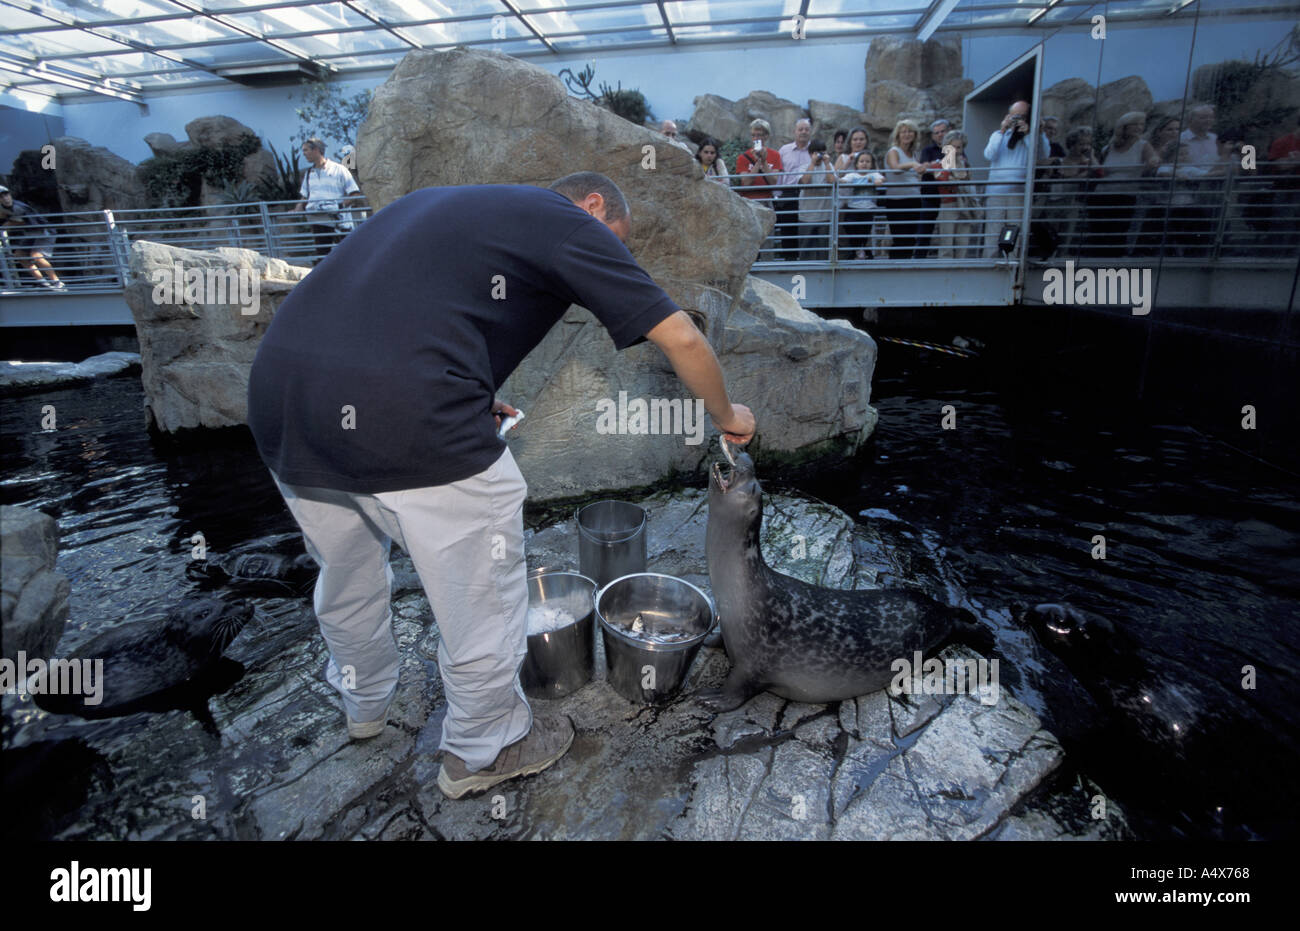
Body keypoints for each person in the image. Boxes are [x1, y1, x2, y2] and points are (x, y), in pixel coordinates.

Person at [247, 173, 756, 800]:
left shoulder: (443, 203)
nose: (609, 262)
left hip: (281, 400)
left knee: (347, 571)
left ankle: (364, 703)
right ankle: (485, 746)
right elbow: (680, 336)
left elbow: (397, 314)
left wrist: (473, 393)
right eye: (617, 242)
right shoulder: (567, 219)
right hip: (405, 415)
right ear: (595, 206)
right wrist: (731, 417)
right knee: (480, 590)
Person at [981, 100, 1051, 258]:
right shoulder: (997, 135)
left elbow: (1041, 155)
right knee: (993, 230)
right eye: (1015, 116)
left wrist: (1030, 134)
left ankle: (1012, 264)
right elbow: (989, 155)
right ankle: (988, 264)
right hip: (996, 191)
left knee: (1015, 230)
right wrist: (1002, 129)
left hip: (1018, 192)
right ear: (1008, 116)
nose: (1018, 119)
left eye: (1022, 116)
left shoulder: (1032, 138)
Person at [1094, 111, 1160, 256]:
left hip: (1125, 194)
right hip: (1103, 194)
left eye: (1141, 124)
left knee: (1119, 228)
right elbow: (1099, 169)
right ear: (1124, 126)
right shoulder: (1109, 147)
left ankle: (1114, 261)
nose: (1139, 127)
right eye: (1135, 124)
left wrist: (1152, 161)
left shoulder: (1143, 145)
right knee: (1100, 229)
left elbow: (1153, 159)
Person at [295, 137, 364, 263]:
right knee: (322, 254)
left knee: (346, 254)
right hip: (319, 220)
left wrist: (340, 207)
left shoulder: (339, 170)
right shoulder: (309, 173)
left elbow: (354, 193)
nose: (304, 153)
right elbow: (305, 196)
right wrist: (297, 209)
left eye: (306, 150)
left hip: (339, 221)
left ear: (316, 150)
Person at [735, 119, 784, 257]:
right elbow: (746, 182)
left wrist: (765, 161)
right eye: (754, 135)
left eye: (760, 135)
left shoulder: (775, 156)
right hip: (749, 203)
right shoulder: (743, 157)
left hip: (766, 202)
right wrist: (757, 162)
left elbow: (773, 181)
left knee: (768, 241)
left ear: (766, 136)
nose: (756, 138)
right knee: (748, 240)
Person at [0, 186, 64, 289]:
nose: (5, 198)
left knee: (36, 256)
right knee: (19, 255)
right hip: (31, 232)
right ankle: (41, 281)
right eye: (1, 197)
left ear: (10, 195)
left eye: (6, 195)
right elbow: (4, 217)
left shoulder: (19, 207)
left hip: (44, 231)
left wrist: (6, 225)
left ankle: (56, 282)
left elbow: (21, 222)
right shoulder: (3, 207)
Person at [885, 119, 926, 259]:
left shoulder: (914, 154)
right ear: (898, 135)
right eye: (903, 132)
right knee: (900, 238)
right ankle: (894, 267)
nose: (907, 134)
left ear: (915, 134)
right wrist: (913, 164)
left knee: (910, 238)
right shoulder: (893, 151)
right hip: (896, 200)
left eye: (910, 131)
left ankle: (906, 266)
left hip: (914, 199)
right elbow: (895, 168)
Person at [932, 131, 975, 259]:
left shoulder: (966, 164)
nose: (955, 150)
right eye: (952, 147)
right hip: (948, 204)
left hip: (965, 204)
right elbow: (943, 179)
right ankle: (944, 272)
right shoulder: (939, 164)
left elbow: (967, 180)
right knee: (947, 243)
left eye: (959, 147)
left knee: (963, 242)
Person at [776, 118, 814, 260]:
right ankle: (789, 261)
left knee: (806, 229)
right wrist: (777, 196)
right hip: (788, 193)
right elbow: (780, 174)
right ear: (794, 132)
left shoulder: (814, 151)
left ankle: (806, 261)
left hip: (809, 194)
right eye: (800, 129)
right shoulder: (784, 150)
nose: (803, 132)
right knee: (788, 228)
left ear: (810, 132)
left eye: (806, 129)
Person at [839, 151, 885, 260]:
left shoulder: (873, 174)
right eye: (862, 161)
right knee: (849, 226)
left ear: (871, 164)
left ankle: (861, 249)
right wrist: (839, 180)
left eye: (867, 161)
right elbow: (843, 180)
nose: (864, 163)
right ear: (857, 164)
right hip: (853, 207)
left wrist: (875, 180)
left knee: (864, 230)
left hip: (868, 208)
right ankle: (858, 248)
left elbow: (881, 179)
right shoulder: (852, 175)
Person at [916, 119, 950, 257]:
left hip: (949, 198)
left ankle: (946, 263)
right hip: (930, 196)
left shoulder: (954, 148)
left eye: (943, 131)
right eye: (936, 133)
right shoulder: (928, 150)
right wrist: (941, 166)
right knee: (924, 232)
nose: (940, 135)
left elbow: (959, 168)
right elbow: (924, 168)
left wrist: (934, 166)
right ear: (932, 136)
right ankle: (918, 262)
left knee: (947, 233)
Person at [796, 138, 834, 260]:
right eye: (816, 153)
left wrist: (827, 163)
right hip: (806, 217)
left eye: (822, 152)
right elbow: (804, 182)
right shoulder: (803, 167)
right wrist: (812, 163)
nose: (819, 156)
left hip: (825, 217)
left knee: (824, 254)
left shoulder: (829, 167)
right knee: (804, 253)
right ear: (810, 153)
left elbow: (832, 182)